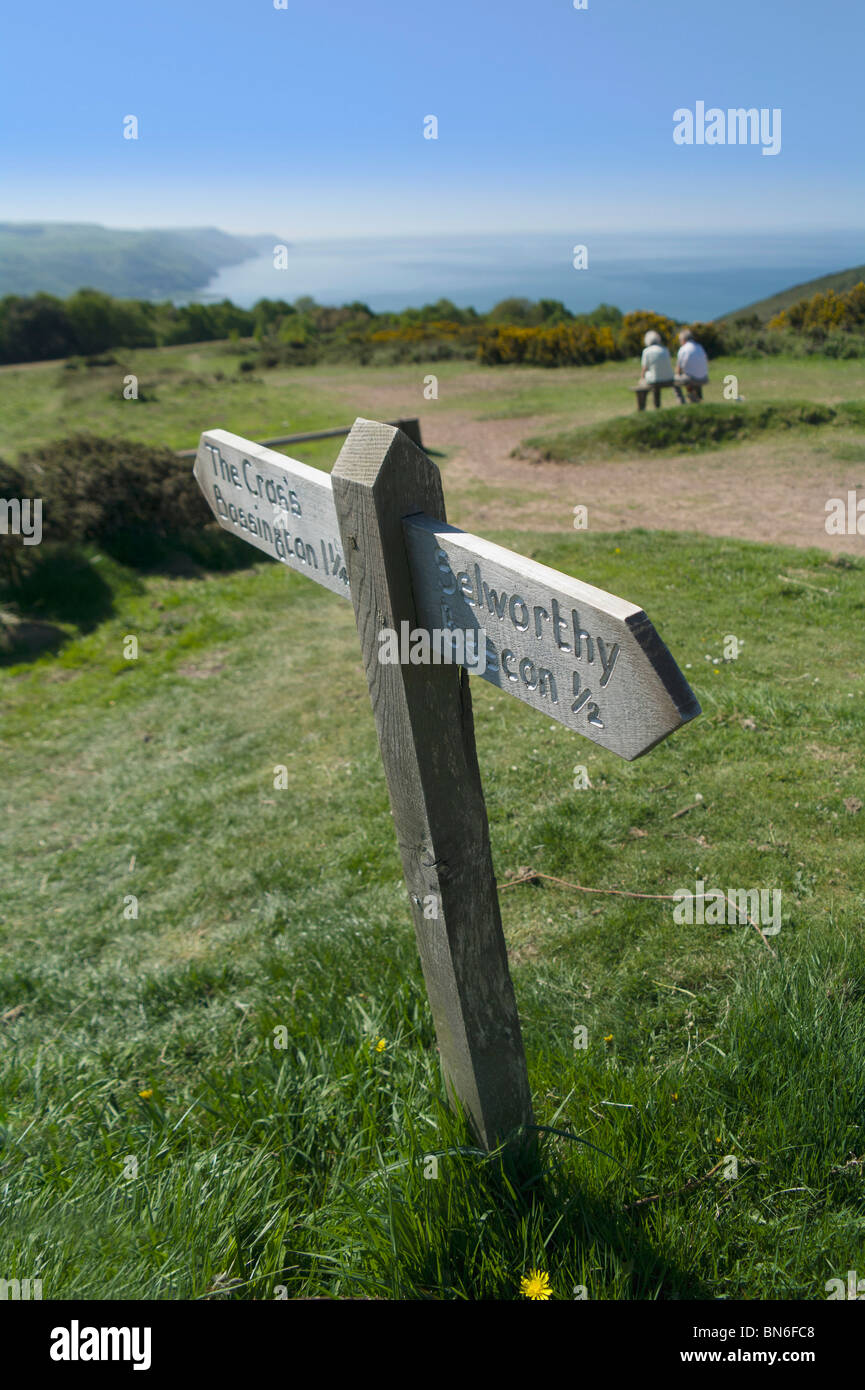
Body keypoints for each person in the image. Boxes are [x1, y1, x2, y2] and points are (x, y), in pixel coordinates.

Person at [637, 330, 674, 408]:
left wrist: (641, 378)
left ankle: (642, 407)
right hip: (669, 378)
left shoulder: (646, 351)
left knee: (642, 384)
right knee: (654, 382)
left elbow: (644, 368)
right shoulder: (665, 349)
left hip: (655, 380)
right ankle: (657, 405)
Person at [674, 328, 709, 403]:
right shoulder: (700, 347)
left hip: (692, 379)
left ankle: (681, 401)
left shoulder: (683, 349)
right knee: (695, 374)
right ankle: (698, 398)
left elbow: (678, 370)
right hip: (704, 378)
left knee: (674, 380)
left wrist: (678, 374)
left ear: (683, 339)